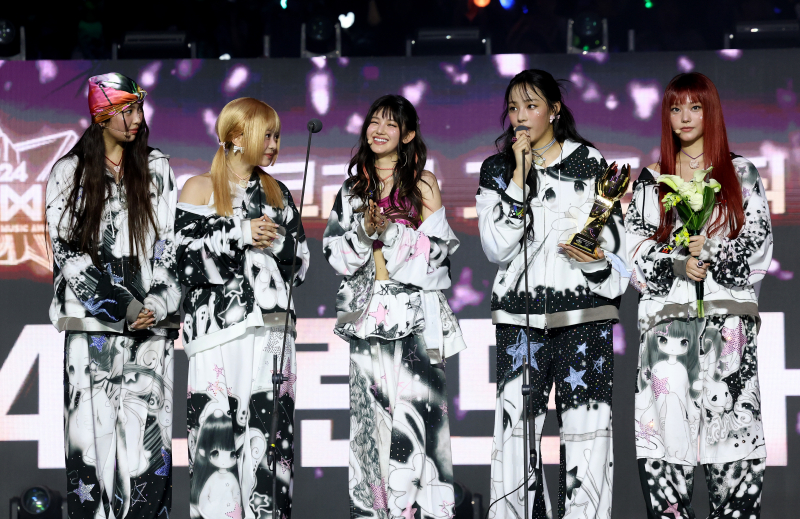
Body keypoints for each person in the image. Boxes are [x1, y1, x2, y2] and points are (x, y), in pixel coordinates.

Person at [476, 69, 629, 519]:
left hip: (584, 317)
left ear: (554, 110)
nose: (521, 116)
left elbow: (614, 247)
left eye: (531, 105)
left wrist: (592, 257)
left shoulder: (589, 162)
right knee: (515, 433)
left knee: (588, 435)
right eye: (513, 108)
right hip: (520, 320)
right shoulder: (497, 169)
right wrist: (519, 176)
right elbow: (495, 247)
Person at [626, 72, 771, 518]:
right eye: (675, 108)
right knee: (666, 470)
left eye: (695, 107)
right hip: (667, 338)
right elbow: (633, 249)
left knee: (736, 467)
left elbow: (759, 246)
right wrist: (676, 262)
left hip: (728, 336)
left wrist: (712, 250)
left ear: (711, 112)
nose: (685, 117)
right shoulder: (652, 180)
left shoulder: (740, 173)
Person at [322, 94, 466, 519]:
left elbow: (439, 258)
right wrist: (363, 232)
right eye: (374, 121)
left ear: (408, 134)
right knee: (370, 429)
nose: (379, 130)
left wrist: (391, 233)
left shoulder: (423, 185)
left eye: (390, 123)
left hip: (416, 319)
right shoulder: (352, 191)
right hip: (366, 319)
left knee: (420, 426)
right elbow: (334, 254)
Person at [46, 72, 180, 518]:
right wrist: (122, 306)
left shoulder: (157, 167)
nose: (137, 118)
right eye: (127, 110)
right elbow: (68, 252)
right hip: (92, 331)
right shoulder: (69, 173)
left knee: (149, 454)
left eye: (139, 108)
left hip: (151, 330)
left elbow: (170, 245)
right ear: (101, 115)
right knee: (90, 452)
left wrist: (155, 303)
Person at [176, 97, 309, 519]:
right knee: (216, 445)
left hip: (273, 334)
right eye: (266, 135)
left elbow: (302, 264)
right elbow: (182, 260)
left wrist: (278, 241)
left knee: (271, 451)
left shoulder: (277, 192)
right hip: (218, 335)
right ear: (236, 135)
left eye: (277, 136)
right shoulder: (199, 188)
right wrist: (241, 233)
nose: (274, 145)